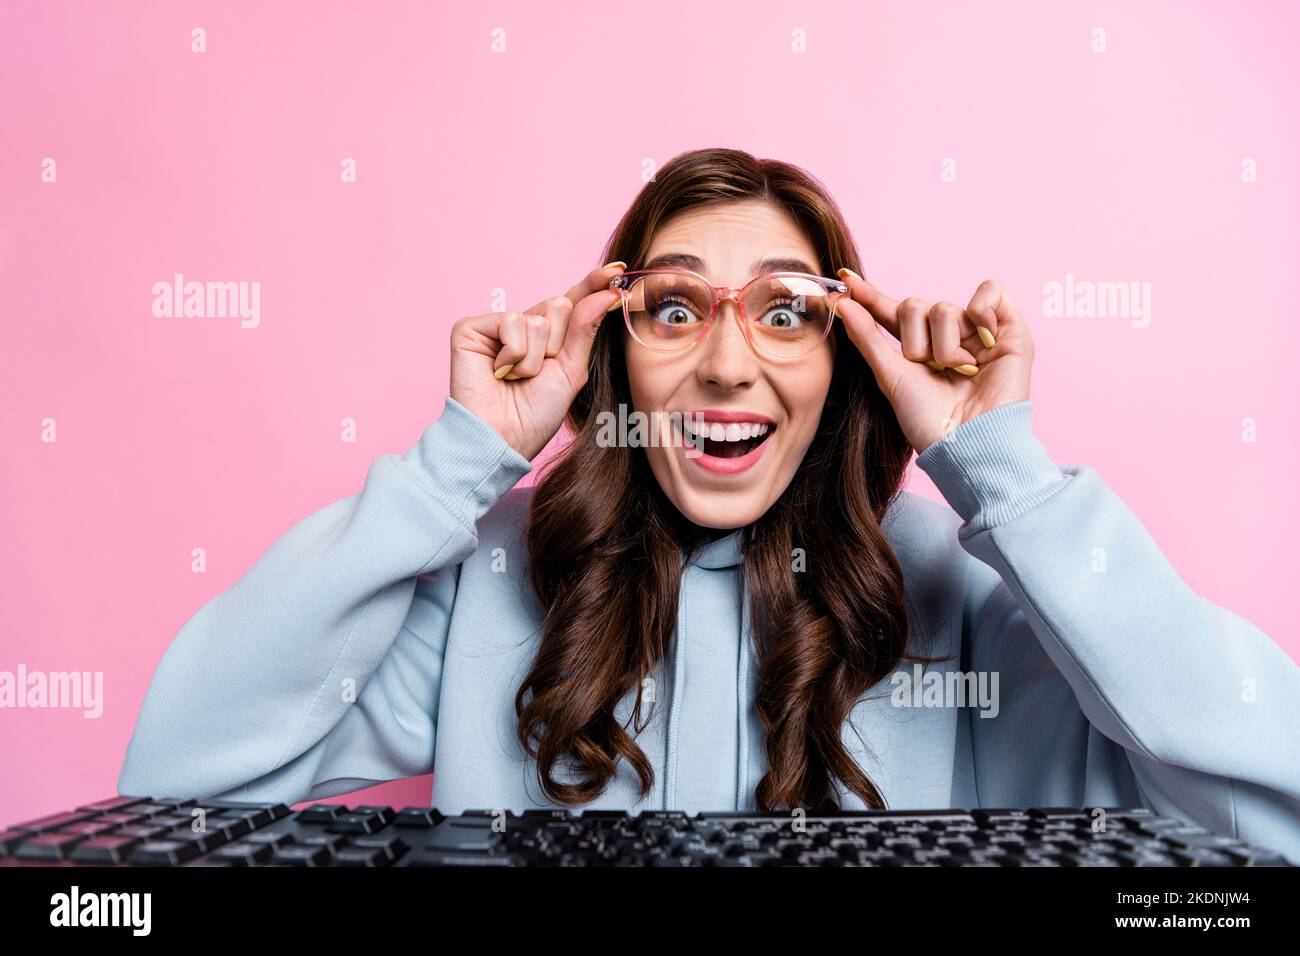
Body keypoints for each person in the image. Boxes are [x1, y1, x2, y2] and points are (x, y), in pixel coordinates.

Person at [118, 147, 1300, 860]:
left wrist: (1007, 474)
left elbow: (1268, 810)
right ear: (611, 354)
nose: (729, 366)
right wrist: (454, 463)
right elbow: (176, 786)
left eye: (784, 311)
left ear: (845, 363)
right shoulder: (494, 570)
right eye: (676, 309)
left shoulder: (958, 590)